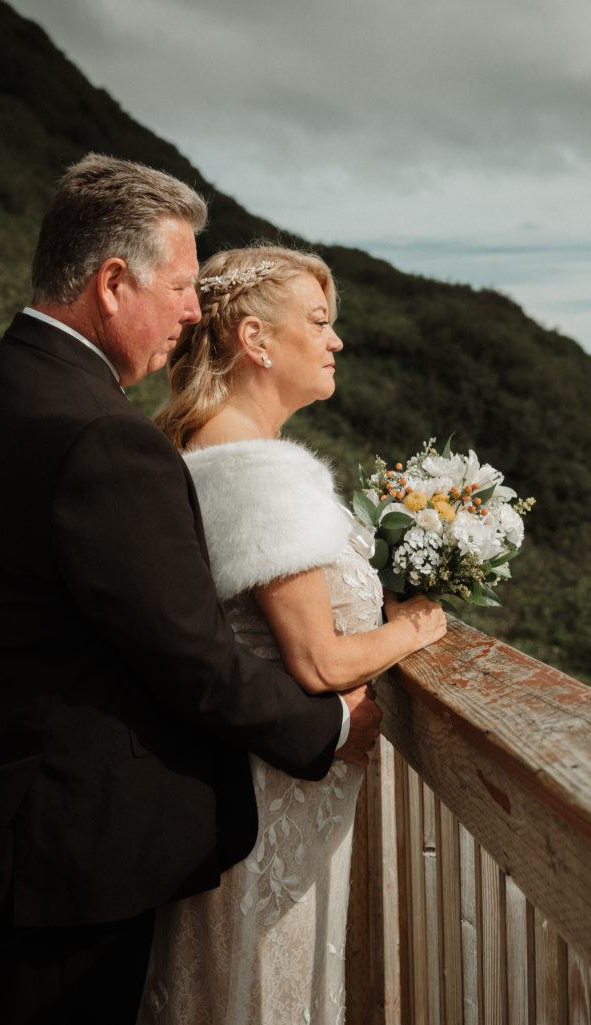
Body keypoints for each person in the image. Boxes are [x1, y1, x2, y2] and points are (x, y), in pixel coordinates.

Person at [0, 154, 381, 1024]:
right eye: (182, 286)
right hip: (57, 865)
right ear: (113, 283)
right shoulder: (104, 437)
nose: (195, 311)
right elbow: (194, 659)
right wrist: (332, 726)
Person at [138, 245, 446, 1024]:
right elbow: (319, 660)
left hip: (236, 778)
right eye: (318, 321)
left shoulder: (197, 442)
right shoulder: (259, 469)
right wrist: (416, 626)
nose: (335, 339)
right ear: (255, 339)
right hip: (272, 796)